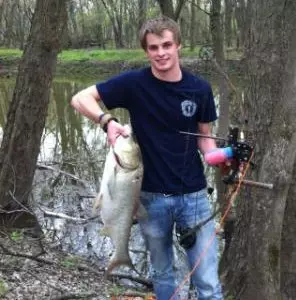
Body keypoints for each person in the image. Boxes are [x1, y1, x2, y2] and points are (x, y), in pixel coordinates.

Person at [71, 16, 223, 300]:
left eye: (167, 45)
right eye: (153, 47)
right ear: (146, 51)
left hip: (195, 196)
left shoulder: (199, 89)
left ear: (178, 45)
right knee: (163, 274)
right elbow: (80, 98)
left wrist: (219, 157)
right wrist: (107, 121)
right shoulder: (133, 84)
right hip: (149, 198)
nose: (161, 52)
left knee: (208, 281)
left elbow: (205, 137)